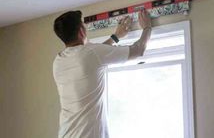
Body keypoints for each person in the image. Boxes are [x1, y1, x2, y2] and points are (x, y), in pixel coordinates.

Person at [53, 9, 152, 138]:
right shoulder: (91, 54)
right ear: (81, 31)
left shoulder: (59, 61)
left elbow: (93, 57)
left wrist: (115, 37)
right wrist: (147, 27)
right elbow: (138, 50)